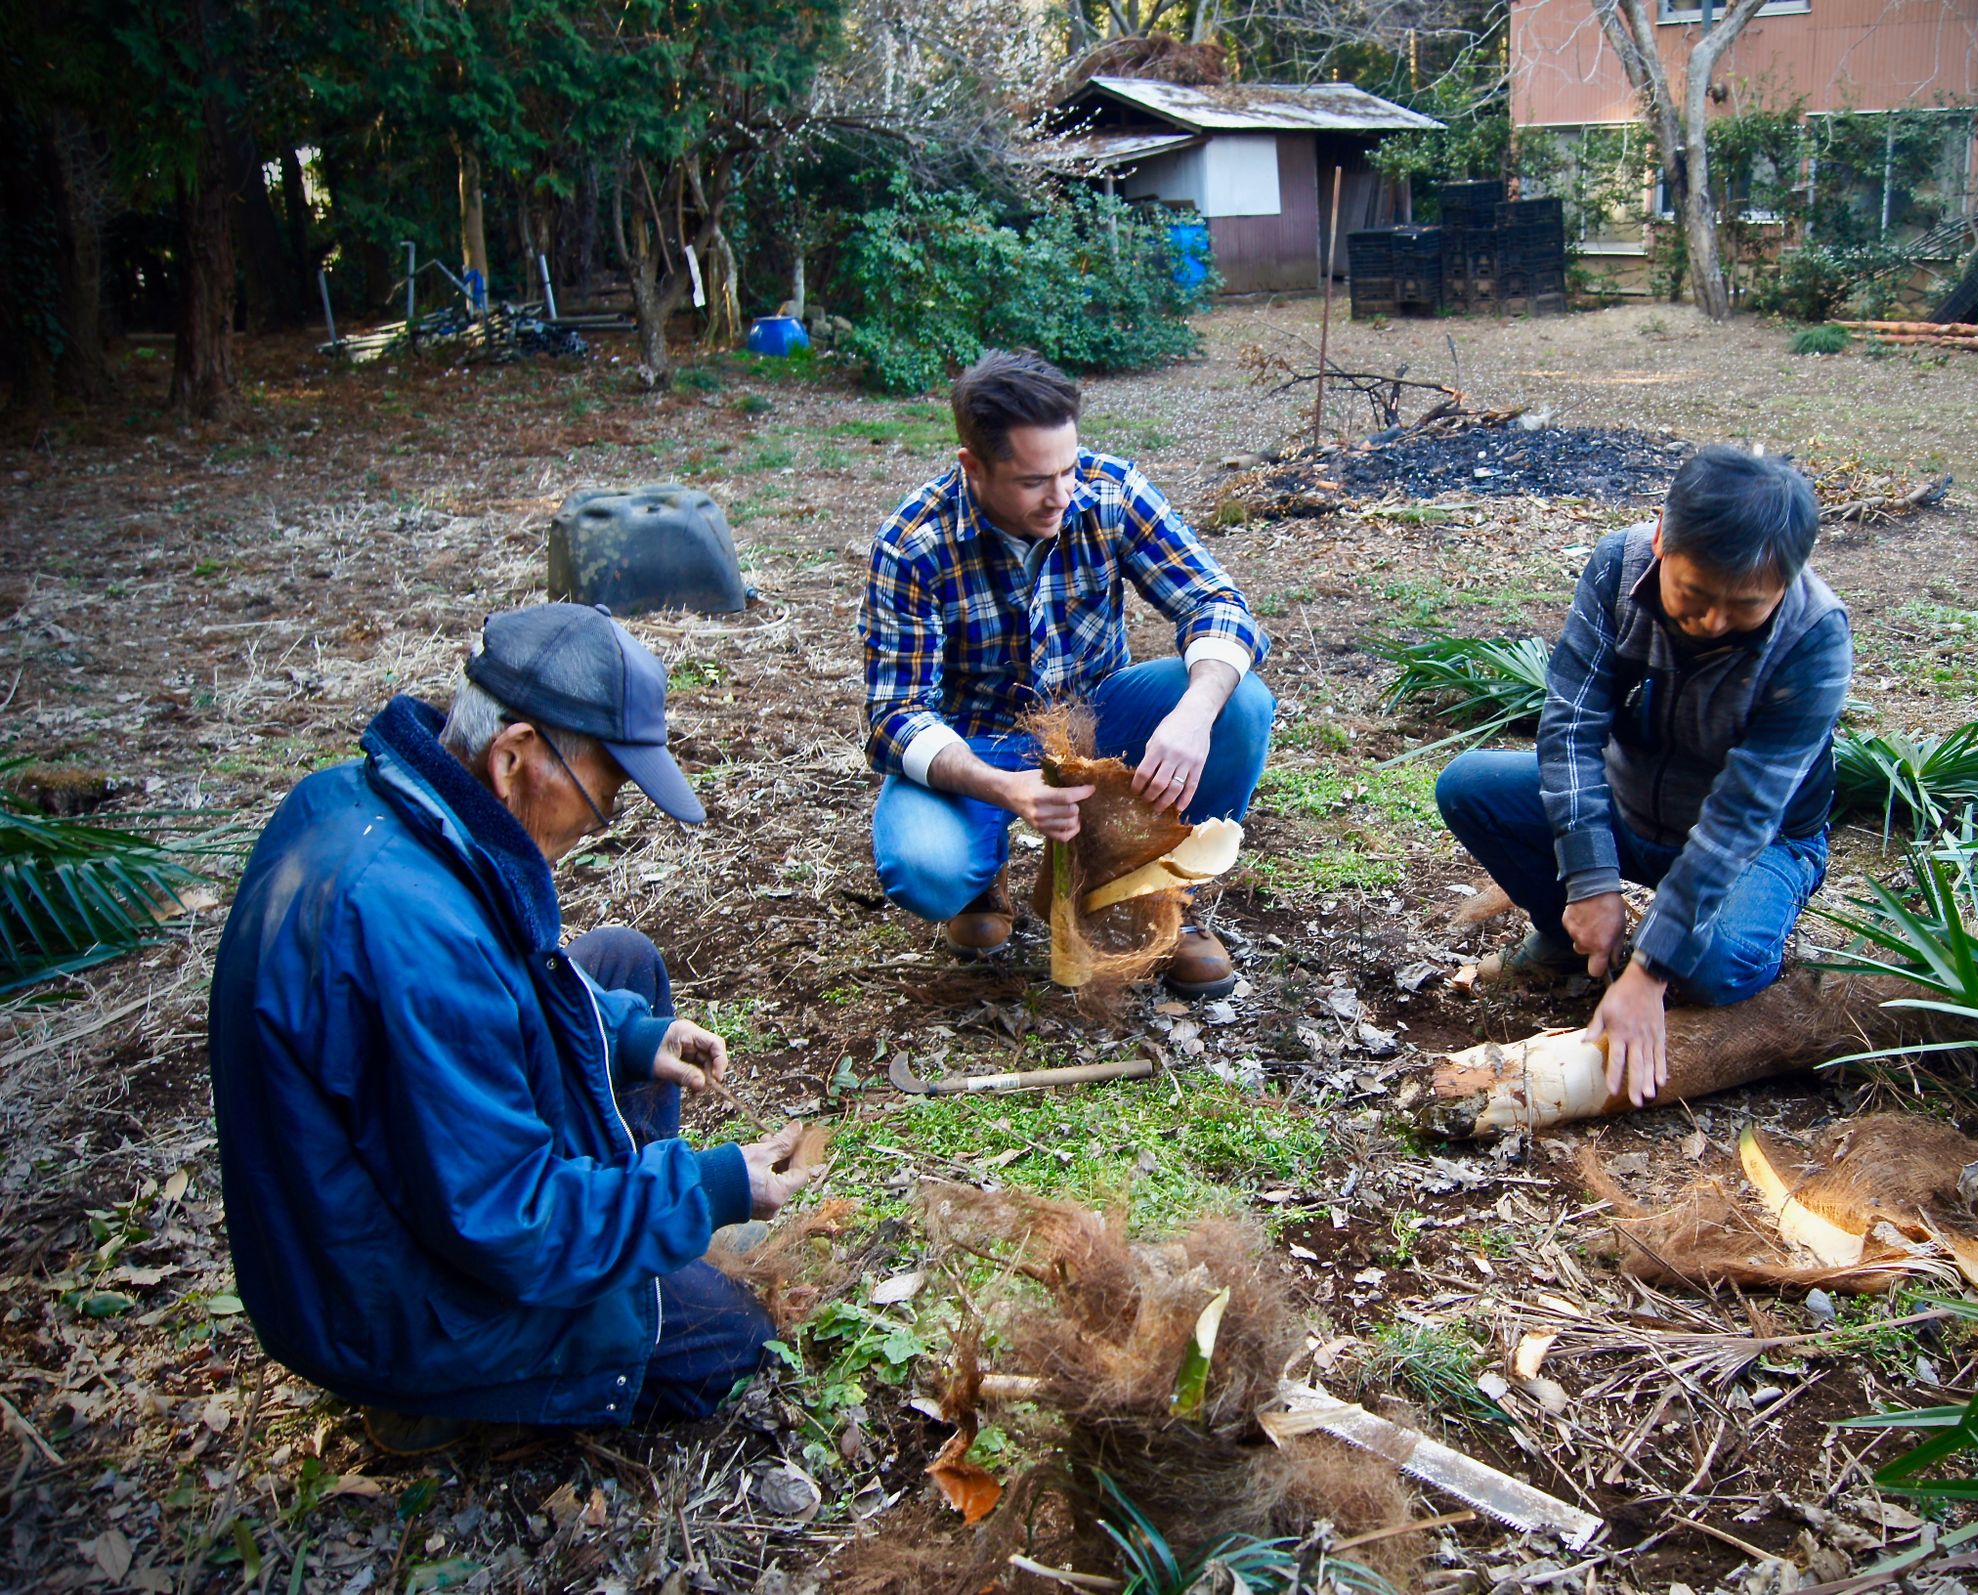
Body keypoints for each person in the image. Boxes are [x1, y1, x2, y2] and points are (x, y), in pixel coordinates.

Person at [209, 603, 814, 1453]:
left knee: (622, 964)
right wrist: (708, 1188)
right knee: (730, 1342)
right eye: (602, 795)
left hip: (389, 1203)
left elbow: (509, 991)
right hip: (388, 1301)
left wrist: (632, 1037)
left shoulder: (371, 803)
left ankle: (617, 1235)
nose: (599, 822)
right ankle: (446, 1401)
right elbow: (508, 1220)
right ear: (513, 757)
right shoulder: (414, 932)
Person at [1435, 445, 1852, 1109]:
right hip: (1633, 808)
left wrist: (1651, 971)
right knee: (1470, 788)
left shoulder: (1814, 638)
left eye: (1744, 605)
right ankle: (1573, 937)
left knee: (1714, 966)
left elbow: (1742, 817)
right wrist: (1590, 878)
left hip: (1762, 843)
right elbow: (1571, 727)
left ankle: (1660, 949)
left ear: (1787, 579)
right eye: (1694, 593)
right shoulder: (1617, 566)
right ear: (1662, 539)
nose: (1712, 621)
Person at [858, 350, 1274, 998]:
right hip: (977, 741)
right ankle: (979, 880)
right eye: (1031, 481)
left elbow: (1216, 603)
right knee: (925, 868)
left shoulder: (1109, 491)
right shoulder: (913, 543)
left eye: (1068, 468)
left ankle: (1163, 893)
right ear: (973, 466)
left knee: (1238, 704)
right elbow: (896, 714)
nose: (1061, 495)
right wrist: (1005, 788)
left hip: (1099, 712)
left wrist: (1192, 714)